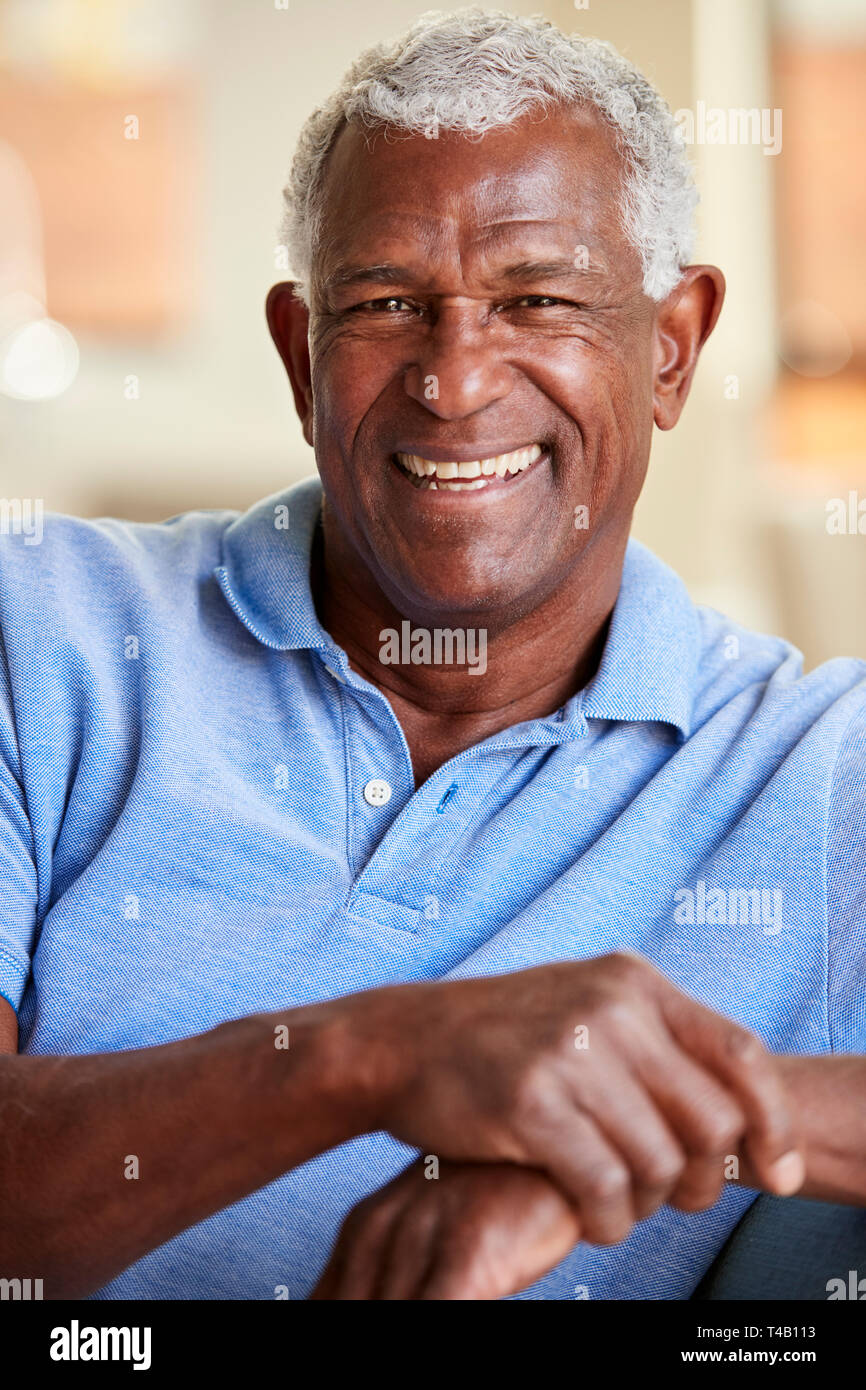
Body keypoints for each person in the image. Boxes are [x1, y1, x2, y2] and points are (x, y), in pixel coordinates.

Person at [0, 8, 864, 1302]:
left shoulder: (822, 771)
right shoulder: (43, 627)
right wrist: (372, 1056)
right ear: (303, 356)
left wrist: (605, 1138)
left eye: (538, 299)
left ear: (671, 345)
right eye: (389, 303)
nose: (454, 381)